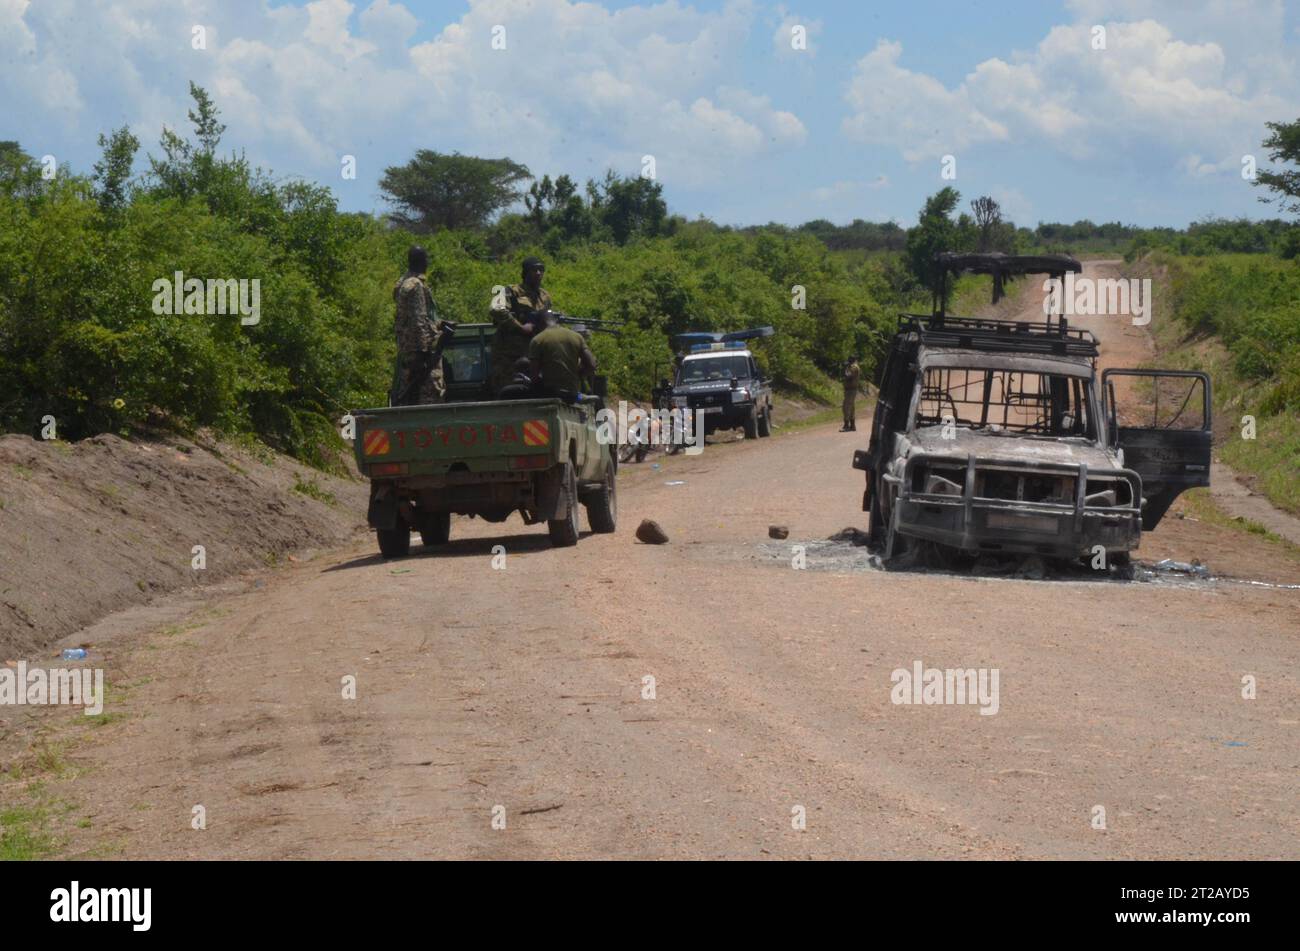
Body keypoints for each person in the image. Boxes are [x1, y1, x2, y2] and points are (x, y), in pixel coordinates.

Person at [391, 246, 454, 406]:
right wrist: (425, 353)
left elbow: (414, 317)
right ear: (423, 262)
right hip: (421, 354)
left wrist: (438, 324)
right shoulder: (415, 285)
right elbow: (418, 320)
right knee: (430, 395)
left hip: (409, 351)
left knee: (411, 394)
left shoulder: (403, 283)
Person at [490, 256, 551, 395]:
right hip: (509, 357)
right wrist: (520, 327)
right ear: (525, 272)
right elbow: (496, 309)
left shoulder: (544, 296)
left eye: (541, 270)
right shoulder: (511, 291)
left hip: (534, 355)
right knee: (508, 393)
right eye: (534, 270)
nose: (538, 273)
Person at [529, 312, 597, 398]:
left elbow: (534, 376)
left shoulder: (537, 340)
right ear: (555, 321)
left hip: (550, 393)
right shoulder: (576, 336)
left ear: (539, 324)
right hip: (572, 393)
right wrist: (578, 375)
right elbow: (592, 365)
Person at [841, 357, 862, 432]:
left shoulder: (854, 367)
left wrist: (845, 368)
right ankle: (852, 425)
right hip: (850, 389)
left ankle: (846, 425)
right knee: (851, 407)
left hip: (851, 390)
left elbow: (848, 376)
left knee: (846, 406)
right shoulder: (852, 367)